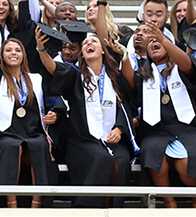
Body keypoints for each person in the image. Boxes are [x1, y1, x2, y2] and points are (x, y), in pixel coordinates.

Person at [34, 20, 135, 207]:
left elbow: (125, 106)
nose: (89, 43)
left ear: (103, 50)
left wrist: (120, 129)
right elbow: (53, 67)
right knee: (101, 158)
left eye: (94, 41)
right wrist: (41, 50)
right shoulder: (75, 75)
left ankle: (111, 209)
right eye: (86, 43)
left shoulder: (114, 78)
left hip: (112, 137)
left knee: (121, 160)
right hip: (83, 140)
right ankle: (85, 207)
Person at [0, 0, 57, 208]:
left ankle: (36, 205)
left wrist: (54, 115)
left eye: (17, 50)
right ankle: (11, 204)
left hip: (32, 132)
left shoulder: (36, 79)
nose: (13, 53)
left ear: (23, 55)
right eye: (8, 50)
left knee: (39, 145)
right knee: (12, 146)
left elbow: (51, 103)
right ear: (2, 56)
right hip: (6, 133)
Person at [122, 22, 196, 208]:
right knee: (154, 156)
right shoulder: (144, 74)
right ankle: (169, 201)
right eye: (151, 42)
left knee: (186, 164)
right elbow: (129, 84)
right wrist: (123, 56)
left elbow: (189, 65)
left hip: (189, 129)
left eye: (160, 41)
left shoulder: (182, 67)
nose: (155, 43)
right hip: (156, 131)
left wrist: (163, 39)